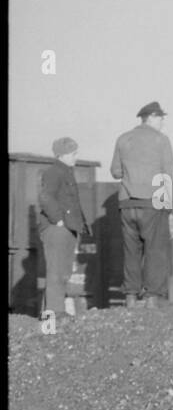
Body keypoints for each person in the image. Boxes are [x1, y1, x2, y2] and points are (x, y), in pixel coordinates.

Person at [111, 101, 173, 308]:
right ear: (153, 117)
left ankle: (130, 297)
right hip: (153, 203)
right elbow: (169, 175)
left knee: (131, 251)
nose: (163, 122)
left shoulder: (123, 139)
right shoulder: (161, 140)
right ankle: (151, 299)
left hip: (127, 203)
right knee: (155, 251)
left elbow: (115, 172)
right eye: (161, 118)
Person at [37, 137, 89, 325]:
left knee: (61, 272)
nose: (76, 156)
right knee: (56, 273)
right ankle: (53, 317)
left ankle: (49, 320)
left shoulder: (65, 171)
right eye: (73, 153)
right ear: (63, 154)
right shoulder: (54, 172)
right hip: (58, 228)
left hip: (66, 228)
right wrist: (58, 220)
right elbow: (45, 197)